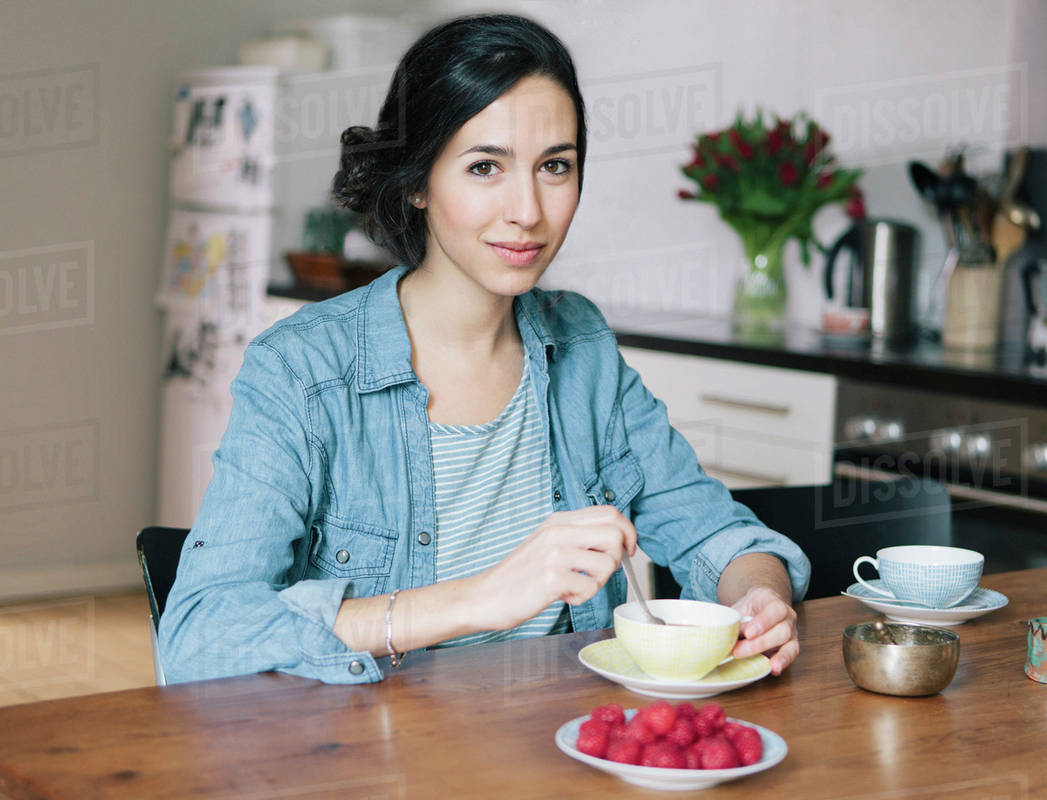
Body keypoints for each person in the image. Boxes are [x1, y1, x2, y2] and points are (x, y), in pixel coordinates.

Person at [159, 13, 810, 685]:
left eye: (554, 166)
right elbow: (201, 638)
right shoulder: (302, 370)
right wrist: (479, 599)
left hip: (563, 749)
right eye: (484, 167)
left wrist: (758, 597)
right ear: (418, 183)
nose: (527, 209)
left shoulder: (580, 347)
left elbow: (715, 534)